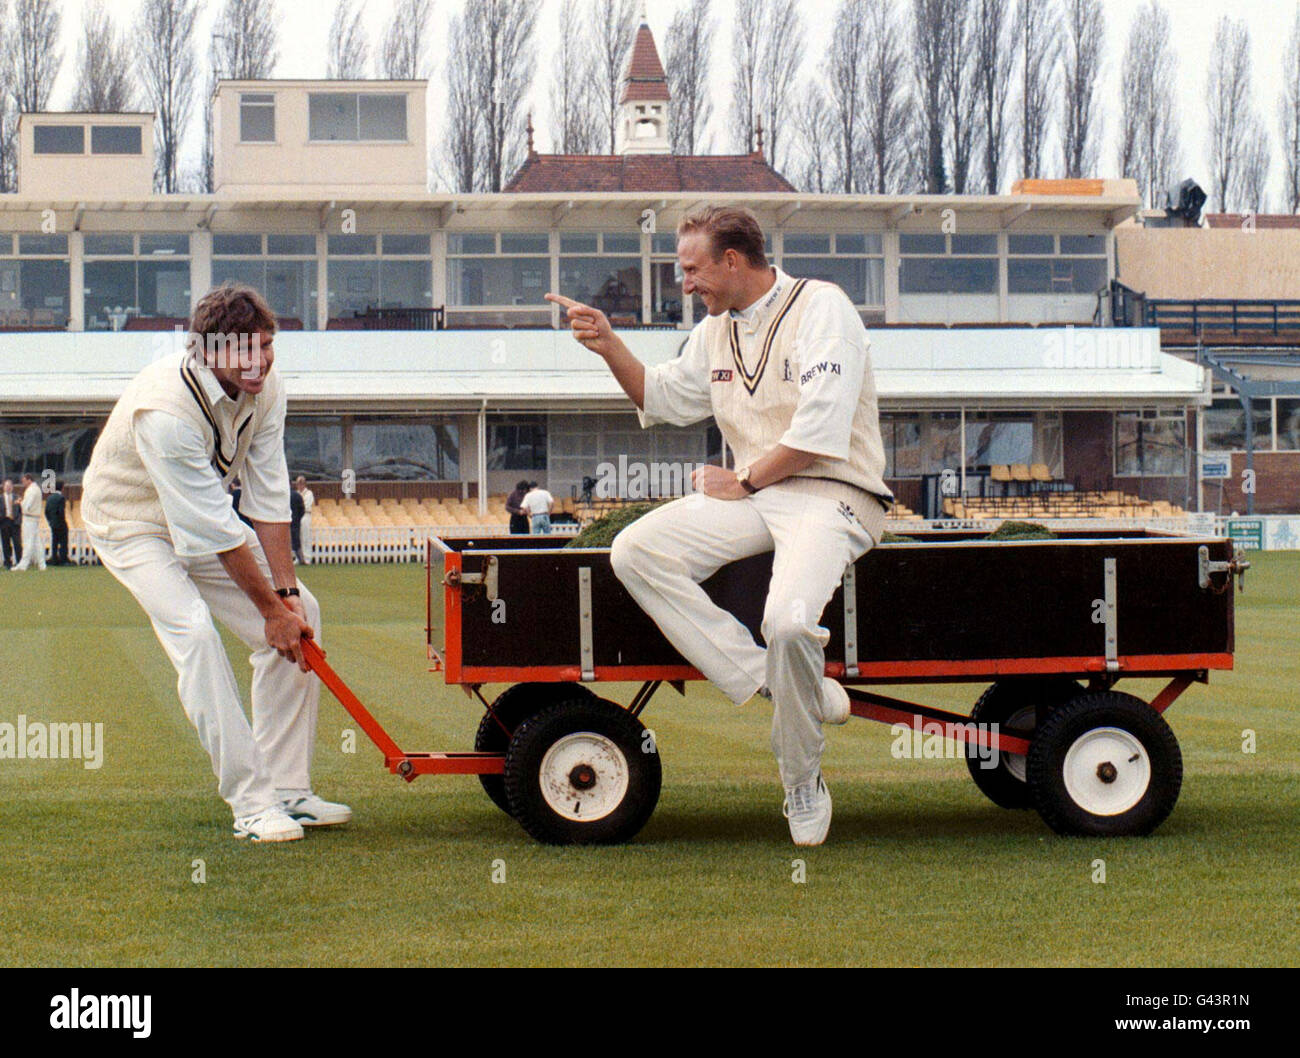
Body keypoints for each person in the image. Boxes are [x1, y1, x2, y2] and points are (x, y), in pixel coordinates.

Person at [546, 205, 893, 847]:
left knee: (788, 624)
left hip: (833, 495)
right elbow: (662, 397)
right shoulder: (713, 332)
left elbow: (820, 433)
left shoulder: (824, 308)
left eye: (692, 269)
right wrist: (609, 344)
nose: (686, 283)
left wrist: (744, 480)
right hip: (757, 497)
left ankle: (801, 782)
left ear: (732, 260)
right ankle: (771, 683)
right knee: (635, 550)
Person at [80, 282, 350, 843]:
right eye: (239, 350)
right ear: (204, 351)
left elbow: (270, 494)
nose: (256, 363)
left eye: (265, 346)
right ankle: (252, 806)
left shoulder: (267, 387)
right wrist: (271, 612)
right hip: (131, 525)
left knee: (308, 612)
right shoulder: (167, 411)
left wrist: (288, 595)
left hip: (200, 523)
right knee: (198, 635)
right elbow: (221, 532)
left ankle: (287, 790)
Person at [13, 473, 47, 571]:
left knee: (28, 541)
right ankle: (42, 564)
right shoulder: (36, 489)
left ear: (29, 480)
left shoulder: (31, 490)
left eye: (24, 481)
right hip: (34, 518)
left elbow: (27, 506)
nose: (23, 483)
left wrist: (20, 502)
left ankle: (24, 564)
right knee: (36, 542)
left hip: (29, 518)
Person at [45, 480, 69, 566]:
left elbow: (46, 511)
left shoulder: (49, 498)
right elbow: (61, 512)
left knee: (54, 542)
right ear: (62, 488)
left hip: (53, 524)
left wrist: (50, 521)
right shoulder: (61, 498)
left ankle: (54, 559)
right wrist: (62, 522)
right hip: (60, 524)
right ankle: (63, 559)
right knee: (63, 542)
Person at [0, 478, 19, 570]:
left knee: (17, 543)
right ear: (3, 487)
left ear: (12, 487)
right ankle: (8, 562)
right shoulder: (0, 498)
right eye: (6, 486)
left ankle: (19, 562)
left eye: (10, 486)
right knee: (5, 543)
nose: (8, 488)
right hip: (4, 522)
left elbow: (20, 511)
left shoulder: (16, 497)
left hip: (14, 523)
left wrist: (18, 521)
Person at [295, 477, 314, 564]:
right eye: (298, 483)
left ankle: (307, 558)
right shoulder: (297, 493)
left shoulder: (309, 493)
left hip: (306, 515)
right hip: (297, 516)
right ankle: (299, 558)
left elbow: (306, 505)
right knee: (298, 537)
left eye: (301, 483)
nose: (300, 485)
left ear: (304, 484)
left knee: (306, 537)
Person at [290, 482, 305, 562]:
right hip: (295, 521)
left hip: (285, 521)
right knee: (296, 540)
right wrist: (298, 518)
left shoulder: (282, 496)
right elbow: (302, 509)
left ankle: (292, 558)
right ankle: (300, 558)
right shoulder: (297, 495)